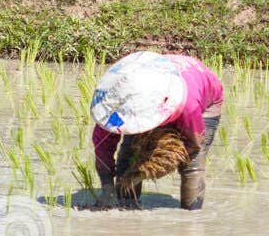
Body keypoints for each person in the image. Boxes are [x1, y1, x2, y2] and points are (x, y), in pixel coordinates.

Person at [90, 50, 223, 211]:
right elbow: (103, 148)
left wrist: (152, 168)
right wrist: (107, 187)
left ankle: (191, 218)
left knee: (192, 163)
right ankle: (125, 208)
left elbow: (194, 144)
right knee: (127, 156)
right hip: (153, 78)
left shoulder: (189, 107)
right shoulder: (111, 106)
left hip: (200, 95)